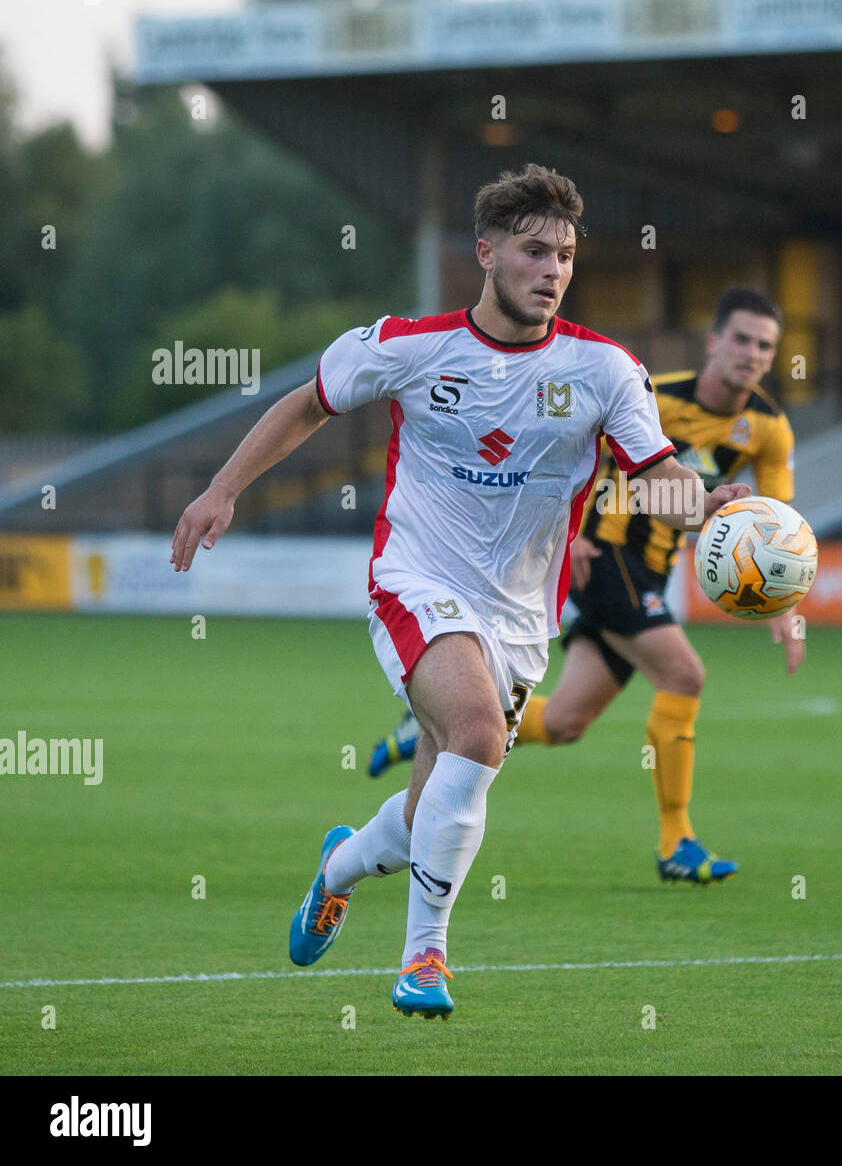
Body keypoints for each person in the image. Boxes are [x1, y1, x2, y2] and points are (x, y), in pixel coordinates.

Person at [169, 164, 748, 1021]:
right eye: (534, 250)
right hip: (415, 579)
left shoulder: (605, 370)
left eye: (566, 256)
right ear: (485, 253)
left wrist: (703, 506)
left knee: (436, 802)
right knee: (475, 731)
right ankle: (424, 958)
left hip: (520, 621)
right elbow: (308, 403)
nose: (552, 269)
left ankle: (337, 869)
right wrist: (222, 488)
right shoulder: (410, 345)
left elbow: (653, 474)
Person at [368, 287, 803, 885]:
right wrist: (567, 539)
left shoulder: (770, 428)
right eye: (742, 339)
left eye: (766, 346)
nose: (752, 354)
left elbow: (775, 519)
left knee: (568, 721)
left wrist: (784, 600)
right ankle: (677, 842)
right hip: (603, 559)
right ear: (714, 342)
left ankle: (432, 728)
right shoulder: (652, 391)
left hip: (653, 571)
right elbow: (573, 449)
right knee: (684, 675)